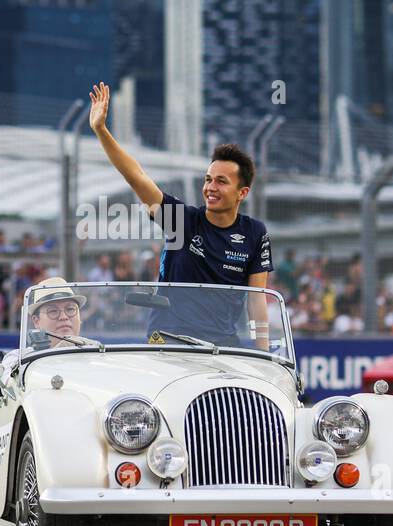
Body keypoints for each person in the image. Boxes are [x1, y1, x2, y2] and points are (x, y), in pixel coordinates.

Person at [87, 81, 273, 349]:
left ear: (242, 192)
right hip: (168, 341)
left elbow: (257, 300)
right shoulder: (181, 221)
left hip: (222, 345)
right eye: (208, 179)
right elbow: (136, 177)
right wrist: (101, 130)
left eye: (221, 181)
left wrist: (263, 353)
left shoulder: (255, 232)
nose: (210, 187)